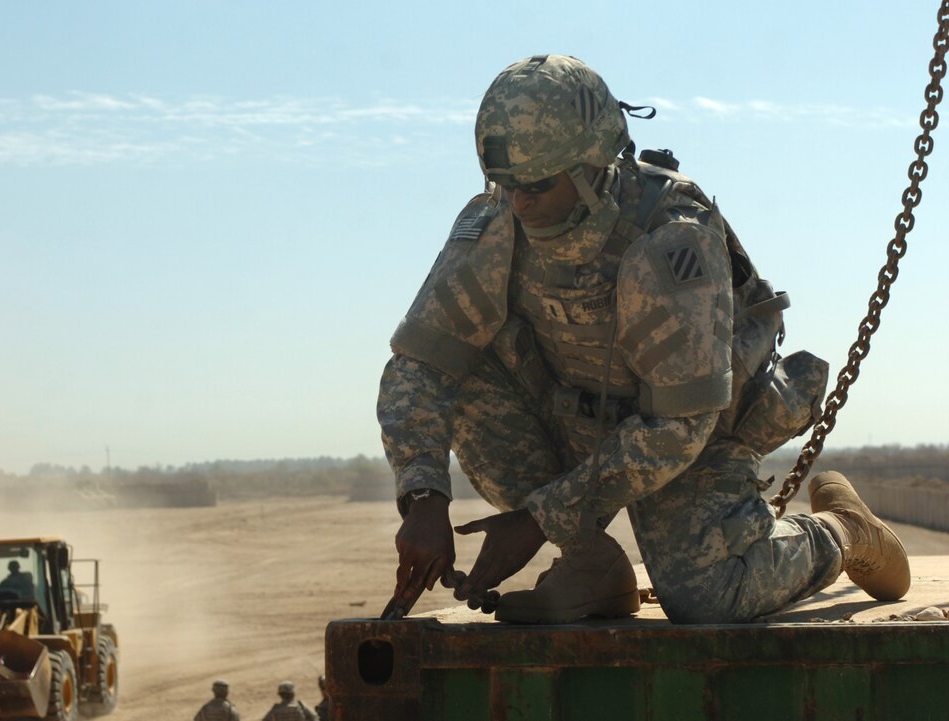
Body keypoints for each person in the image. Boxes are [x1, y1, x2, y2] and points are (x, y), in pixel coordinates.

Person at [377, 53, 911, 625]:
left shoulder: (668, 240)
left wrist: (538, 521)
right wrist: (424, 495)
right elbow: (419, 367)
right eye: (502, 184)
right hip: (582, 420)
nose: (517, 202)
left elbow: (680, 427)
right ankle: (594, 568)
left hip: (688, 438)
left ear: (590, 166)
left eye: (535, 184)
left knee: (708, 599)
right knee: (465, 370)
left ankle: (841, 532)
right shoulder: (498, 224)